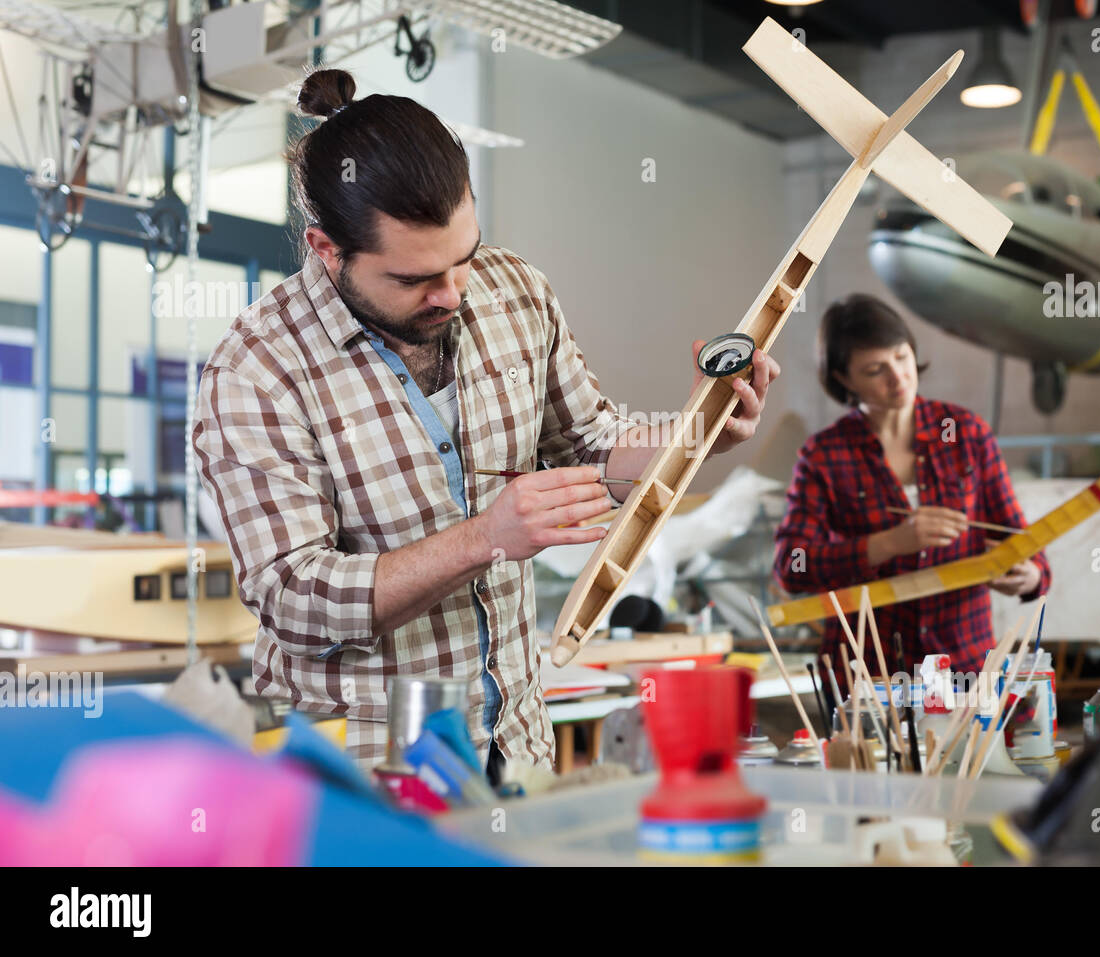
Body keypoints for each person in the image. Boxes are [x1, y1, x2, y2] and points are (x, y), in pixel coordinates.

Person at [194, 68, 779, 774]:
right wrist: (483, 539)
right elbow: (294, 600)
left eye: (464, 258)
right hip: (369, 779)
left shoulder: (516, 292)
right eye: (415, 280)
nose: (452, 293)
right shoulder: (255, 369)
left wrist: (696, 431)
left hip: (518, 749)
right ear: (327, 251)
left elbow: (595, 451)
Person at [772, 294, 1048, 695]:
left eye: (902, 357)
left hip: (965, 667)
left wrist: (1031, 575)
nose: (898, 377)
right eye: (875, 370)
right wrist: (888, 543)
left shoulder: (966, 433)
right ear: (843, 379)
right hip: (867, 673)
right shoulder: (823, 455)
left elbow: (1021, 540)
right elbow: (790, 567)